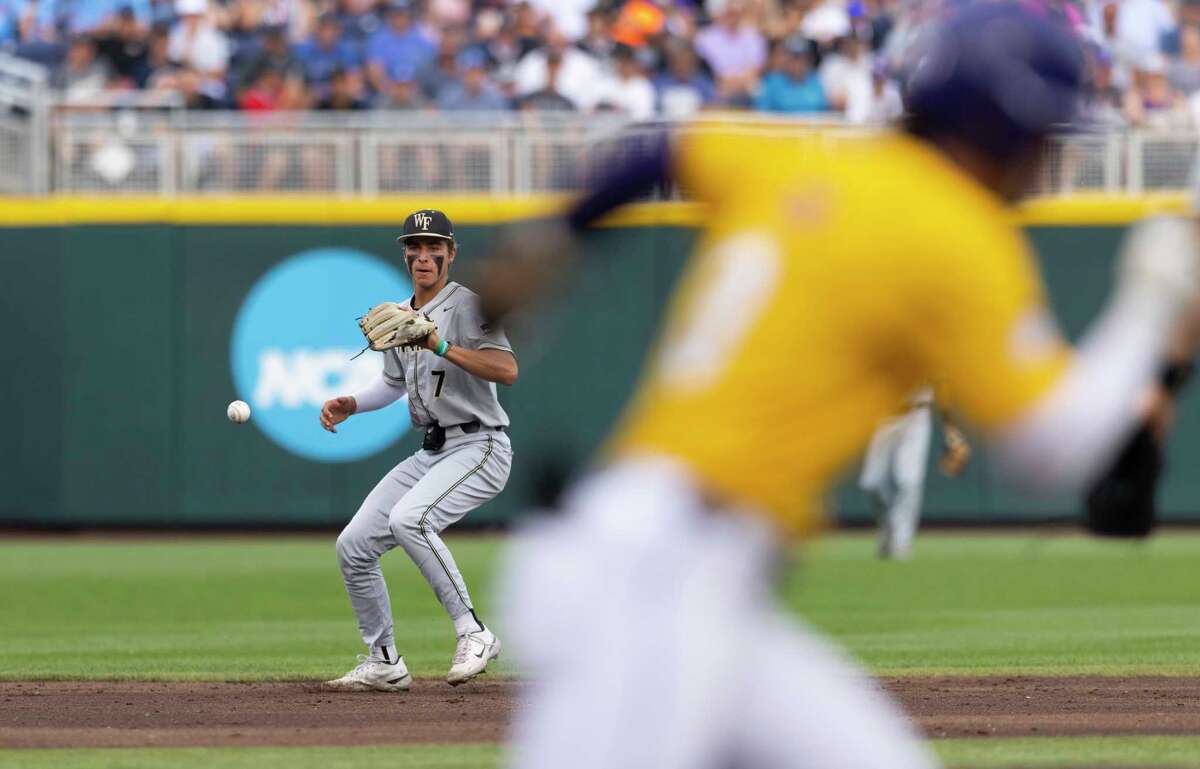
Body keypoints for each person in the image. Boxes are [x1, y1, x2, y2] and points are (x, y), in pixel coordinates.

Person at [478, 5, 1200, 769]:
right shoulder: (954, 230)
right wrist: (1154, 294)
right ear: (1002, 128)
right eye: (1045, 138)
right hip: (655, 583)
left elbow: (659, 150)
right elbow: (1051, 450)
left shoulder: (811, 160)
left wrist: (552, 240)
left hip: (680, 572)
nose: (1048, 161)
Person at [321, 209, 518, 691]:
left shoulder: (469, 307)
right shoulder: (400, 313)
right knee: (354, 545)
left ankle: (473, 631)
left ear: (451, 254)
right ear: (405, 253)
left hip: (482, 444)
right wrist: (353, 402)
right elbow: (391, 384)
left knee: (410, 519)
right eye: (415, 246)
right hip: (433, 450)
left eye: (434, 247)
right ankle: (384, 660)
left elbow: (506, 370)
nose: (423, 256)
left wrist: (441, 344)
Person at [859, 388, 971, 560]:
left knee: (909, 482)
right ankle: (889, 529)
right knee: (871, 483)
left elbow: (941, 380)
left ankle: (900, 546)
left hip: (917, 417)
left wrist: (949, 427)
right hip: (884, 415)